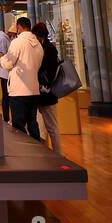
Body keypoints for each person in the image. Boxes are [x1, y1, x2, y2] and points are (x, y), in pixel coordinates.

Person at [1, 16, 43, 140]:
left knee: (18, 125)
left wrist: (1, 59)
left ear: (19, 27)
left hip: (19, 90)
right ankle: (38, 151)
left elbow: (8, 63)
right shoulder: (38, 45)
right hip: (34, 90)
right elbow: (37, 66)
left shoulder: (17, 42)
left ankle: (23, 154)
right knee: (32, 123)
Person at [32, 21, 62, 154]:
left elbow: (49, 71)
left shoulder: (48, 49)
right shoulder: (45, 47)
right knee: (45, 126)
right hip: (43, 92)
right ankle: (49, 152)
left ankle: (58, 153)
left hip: (47, 93)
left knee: (52, 126)